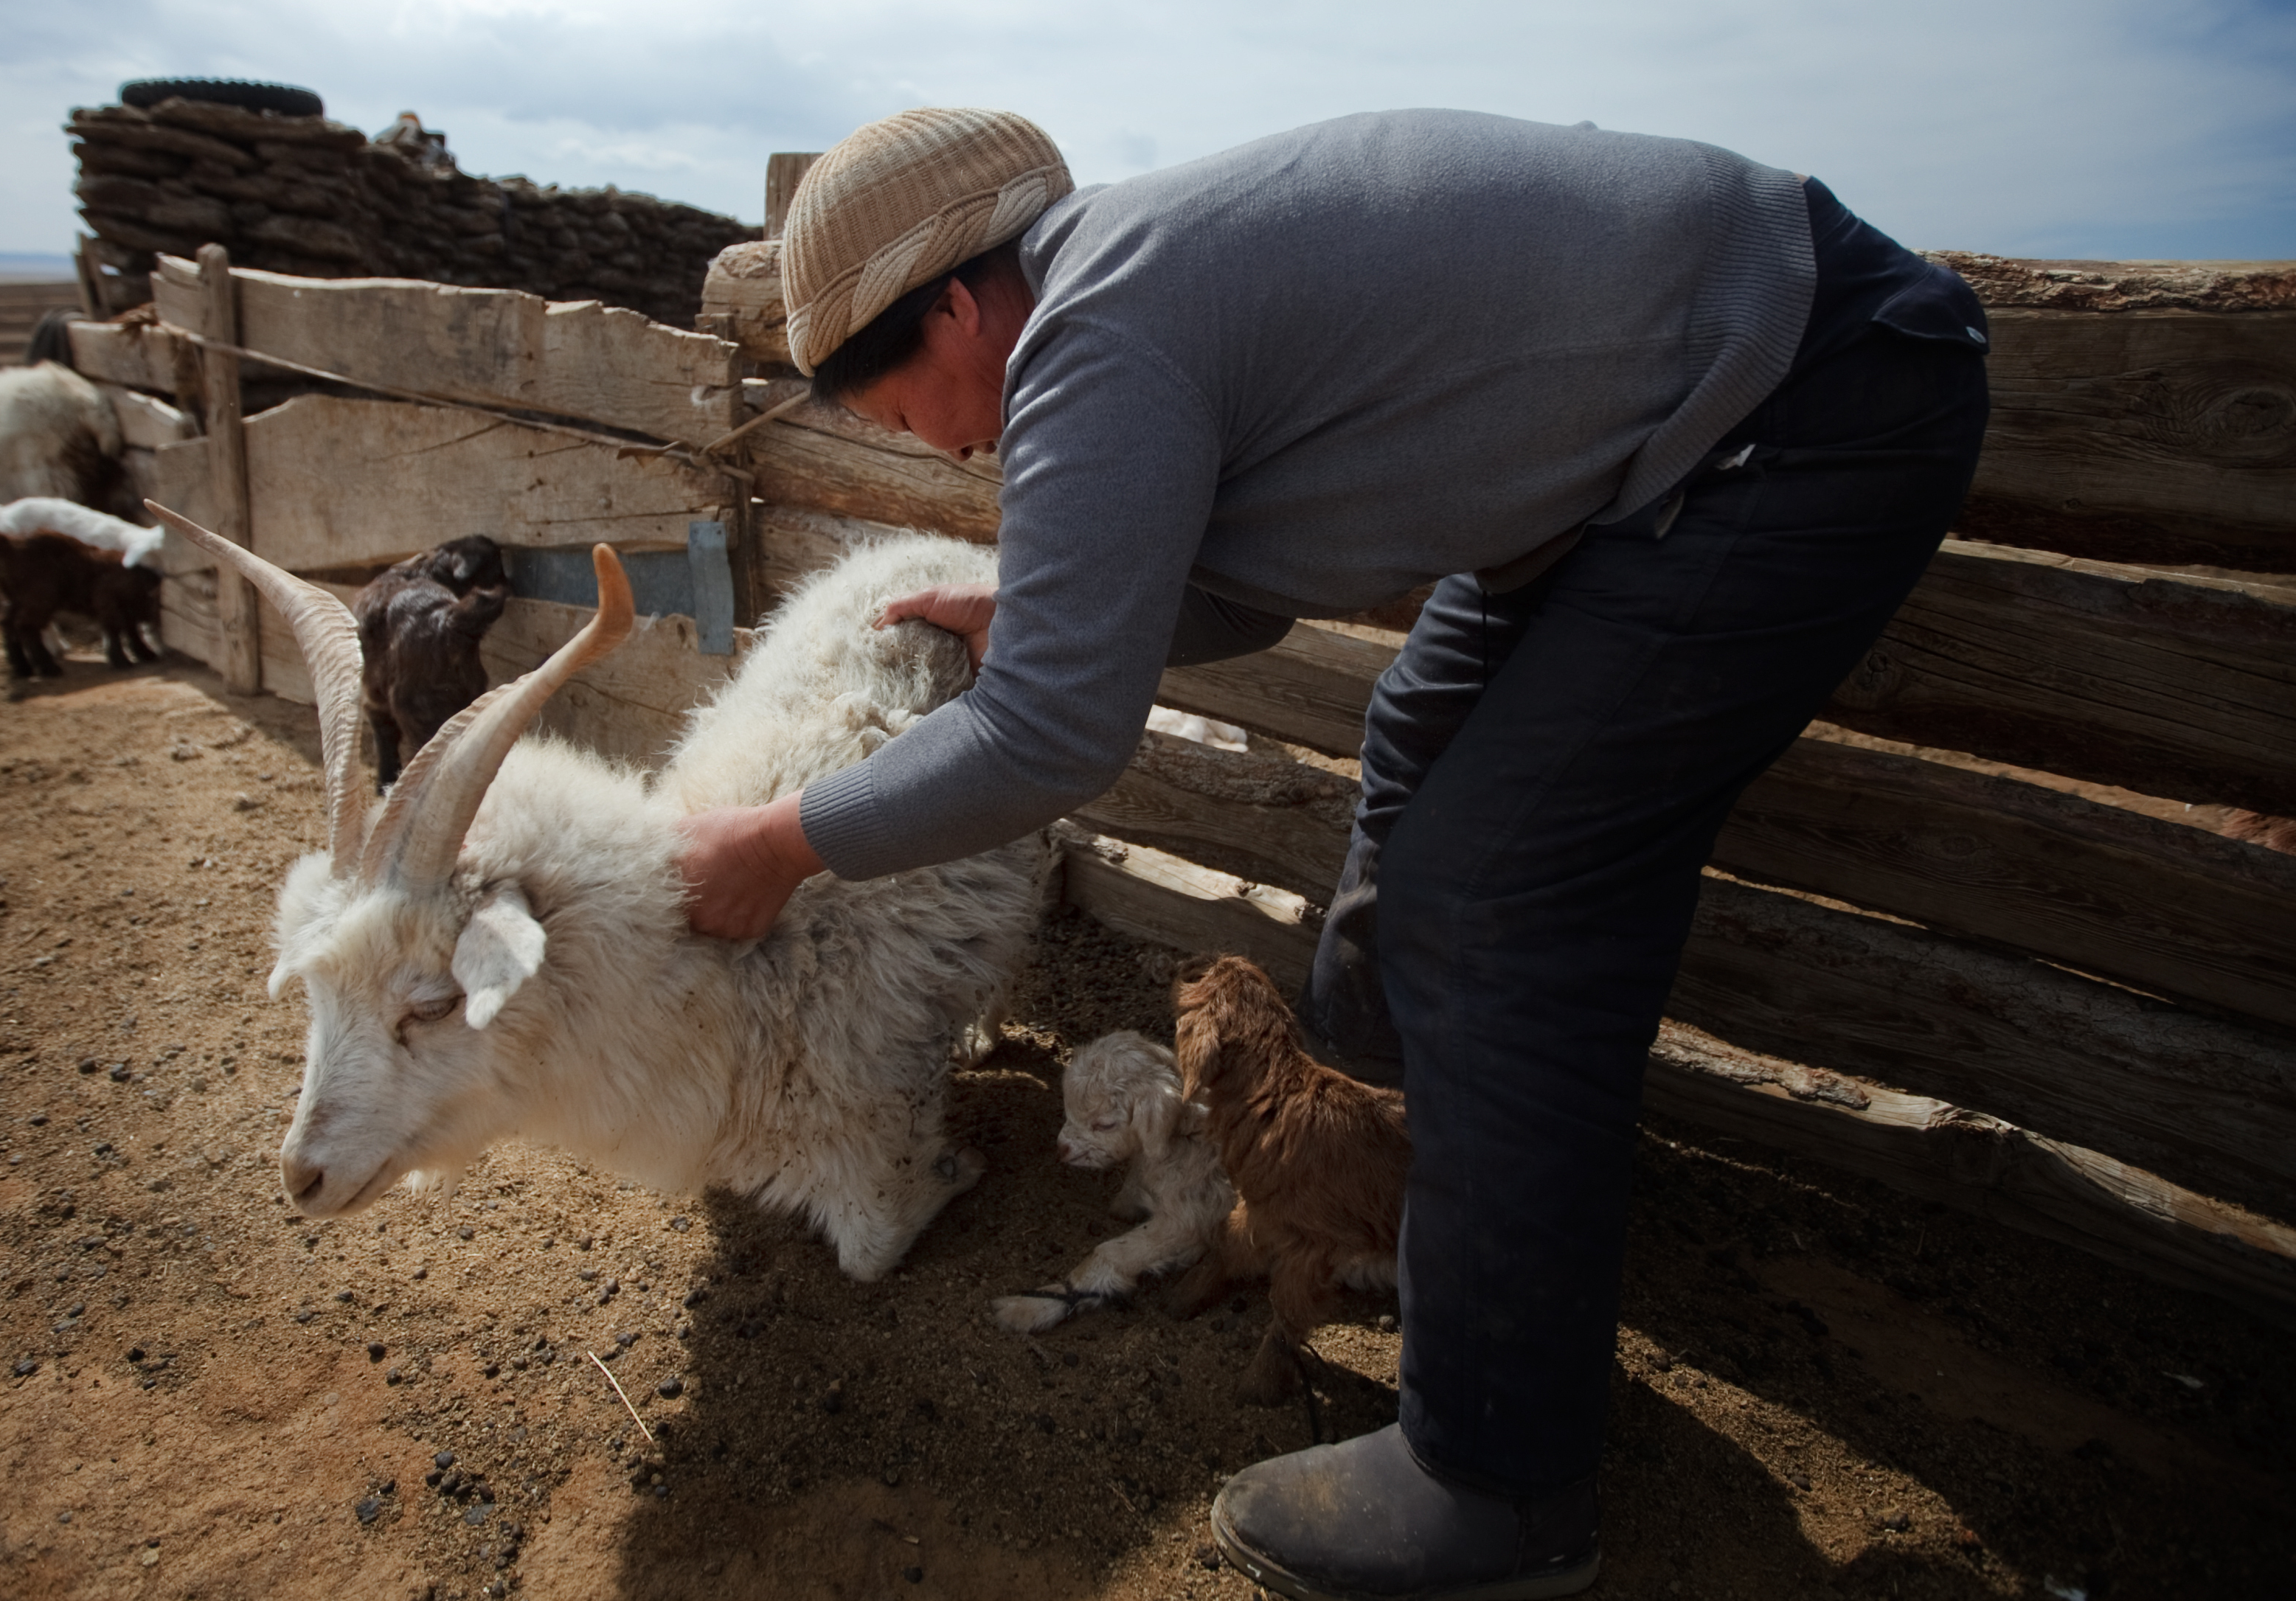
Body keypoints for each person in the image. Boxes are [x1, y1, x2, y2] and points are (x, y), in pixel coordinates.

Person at [678, 105, 1988, 1600]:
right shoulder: (1128, 283)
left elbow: (1049, 742)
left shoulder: (1093, 333)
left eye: (914, 415)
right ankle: (1383, 1206)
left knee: (1489, 894)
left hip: (1791, 401)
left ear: (959, 306)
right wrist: (1058, 617)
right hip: (1635, 459)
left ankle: (1496, 1478)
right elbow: (1244, 590)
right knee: (1419, 749)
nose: (954, 448)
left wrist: (782, 841)